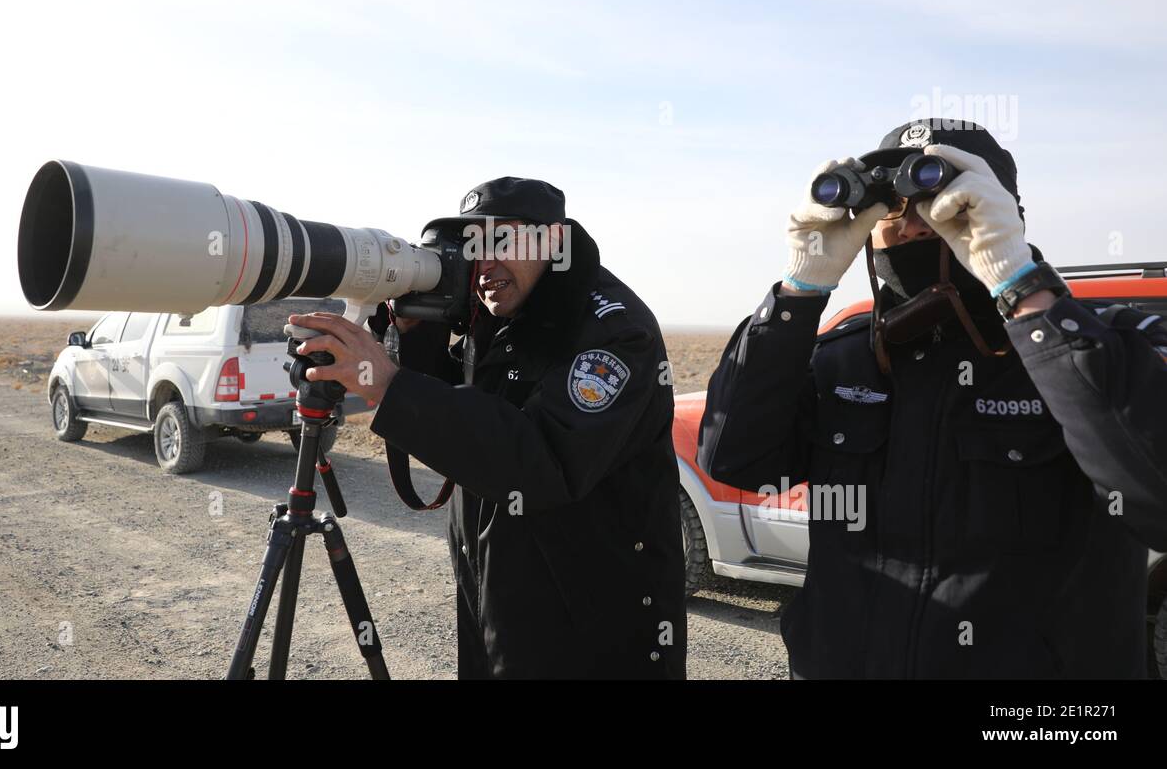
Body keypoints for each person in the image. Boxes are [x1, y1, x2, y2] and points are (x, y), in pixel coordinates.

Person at [698, 119, 1167, 678]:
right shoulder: (847, 357)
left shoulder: (1097, 346)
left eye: (942, 200)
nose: (915, 224)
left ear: (1001, 211)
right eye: (892, 205)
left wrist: (1021, 287)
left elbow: (1154, 495)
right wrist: (801, 289)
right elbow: (734, 457)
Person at [287, 176, 686, 679]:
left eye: (503, 240)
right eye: (473, 245)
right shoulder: (505, 315)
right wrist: (416, 338)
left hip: (595, 629)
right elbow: (470, 418)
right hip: (501, 601)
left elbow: (544, 462)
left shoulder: (613, 331)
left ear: (554, 242)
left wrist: (389, 386)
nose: (485, 262)